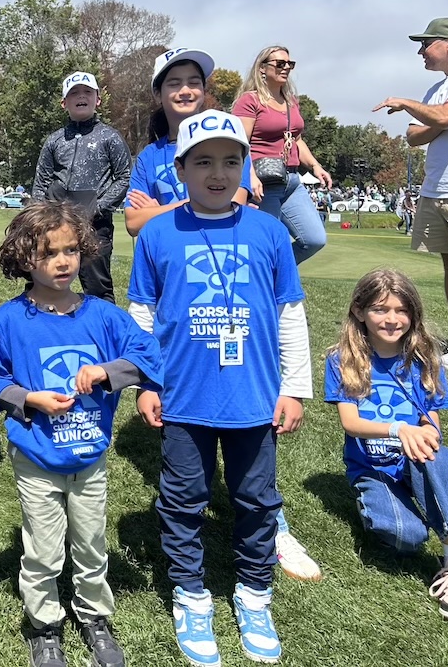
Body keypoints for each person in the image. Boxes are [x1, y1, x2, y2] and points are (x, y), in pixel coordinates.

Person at [127, 110, 313, 666]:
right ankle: (191, 593)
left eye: (231, 161)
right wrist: (145, 383)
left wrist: (295, 388)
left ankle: (254, 593)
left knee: (257, 501)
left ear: (246, 165)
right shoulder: (159, 232)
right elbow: (142, 314)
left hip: (254, 397)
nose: (218, 172)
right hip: (184, 397)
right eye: (203, 161)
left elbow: (290, 313)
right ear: (180, 168)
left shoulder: (269, 229)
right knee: (184, 500)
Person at [0, 201, 161, 667]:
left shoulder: (103, 316)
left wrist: (106, 372)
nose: (62, 262)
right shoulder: (9, 319)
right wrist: (28, 399)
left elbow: (148, 354)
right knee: (42, 550)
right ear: (25, 259)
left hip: (89, 458)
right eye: (48, 253)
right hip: (38, 459)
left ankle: (95, 618)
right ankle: (44, 626)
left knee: (90, 543)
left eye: (70, 251)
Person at [323, 268, 448, 621]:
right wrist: (399, 429)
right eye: (380, 309)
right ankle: (381, 507)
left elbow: (432, 425)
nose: (392, 319)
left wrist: (424, 433)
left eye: (401, 310)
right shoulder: (342, 359)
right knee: (406, 538)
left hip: (414, 460)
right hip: (372, 469)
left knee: (436, 453)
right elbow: (351, 424)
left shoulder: (424, 359)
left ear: (413, 314)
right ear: (358, 311)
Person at [374, 18, 448, 369]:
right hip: (436, 188)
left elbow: (444, 117)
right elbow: (414, 136)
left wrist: (412, 106)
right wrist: (437, 121)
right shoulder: (435, 90)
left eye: (427, 43)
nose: (421, 51)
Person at [124, 48, 254, 237]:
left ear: (203, 90)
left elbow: (231, 205)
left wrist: (157, 212)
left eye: (193, 82)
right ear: (158, 94)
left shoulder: (229, 141)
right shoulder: (148, 157)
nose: (185, 91)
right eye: (174, 84)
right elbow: (134, 222)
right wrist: (201, 204)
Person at [31, 71, 131, 302]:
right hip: (55, 224)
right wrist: (39, 217)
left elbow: (124, 177)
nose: (81, 96)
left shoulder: (110, 137)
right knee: (45, 283)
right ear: (64, 102)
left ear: (98, 99)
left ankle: (104, 335)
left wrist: (96, 208)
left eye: (87, 91)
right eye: (74, 93)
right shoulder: (55, 140)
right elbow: (41, 182)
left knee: (98, 289)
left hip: (95, 225)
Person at [232, 45, 332, 264]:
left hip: (292, 180)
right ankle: (263, 281)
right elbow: (239, 143)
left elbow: (296, 139)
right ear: (262, 69)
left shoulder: (290, 102)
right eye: (280, 63)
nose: (286, 67)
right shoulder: (250, 101)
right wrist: (249, 176)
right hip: (264, 182)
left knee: (314, 239)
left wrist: (315, 166)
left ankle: (274, 275)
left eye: (290, 64)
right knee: (265, 243)